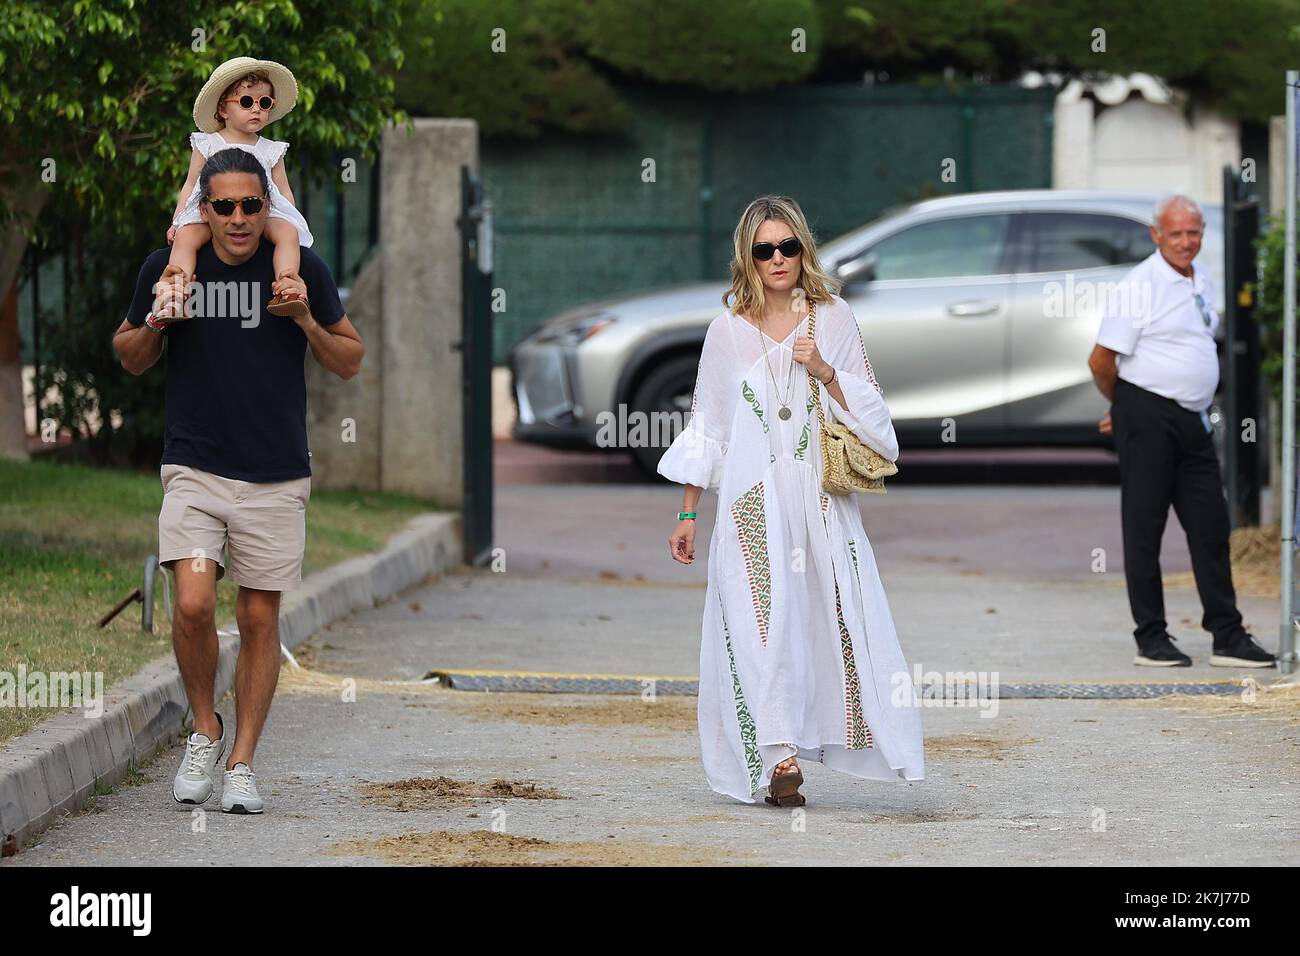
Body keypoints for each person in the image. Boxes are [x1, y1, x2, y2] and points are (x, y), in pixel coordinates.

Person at [111, 147, 365, 813]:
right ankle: (205, 727)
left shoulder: (299, 268)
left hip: (277, 474)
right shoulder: (170, 269)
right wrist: (161, 318)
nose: (238, 218)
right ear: (204, 210)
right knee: (193, 602)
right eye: (223, 206)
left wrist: (306, 318)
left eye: (251, 205)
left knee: (258, 617)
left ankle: (243, 762)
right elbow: (129, 355)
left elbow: (350, 359)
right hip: (195, 466)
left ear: (266, 207)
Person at [658, 195, 924, 807]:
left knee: (831, 621)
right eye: (764, 249)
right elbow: (709, 427)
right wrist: (688, 512)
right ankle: (777, 758)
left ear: (803, 249)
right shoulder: (725, 332)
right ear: (747, 258)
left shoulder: (832, 318)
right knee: (758, 625)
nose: (778, 259)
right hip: (751, 507)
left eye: (788, 246)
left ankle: (857, 740)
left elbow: (876, 423)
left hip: (819, 503)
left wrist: (825, 371)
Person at [1089, 194, 1275, 669]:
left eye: (1193, 233)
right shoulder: (1139, 286)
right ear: (1156, 235)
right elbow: (1101, 360)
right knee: (1145, 526)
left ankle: (1227, 636)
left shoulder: (1201, 275)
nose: (1186, 242)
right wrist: (1124, 408)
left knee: (1211, 526)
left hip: (1192, 418)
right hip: (1146, 414)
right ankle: (1151, 638)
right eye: (1176, 233)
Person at [161, 56, 313, 319]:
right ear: (222, 109)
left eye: (264, 103)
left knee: (287, 234)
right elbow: (190, 183)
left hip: (261, 211)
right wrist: (178, 219)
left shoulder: (271, 149)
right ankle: (175, 295)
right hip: (212, 211)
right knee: (186, 238)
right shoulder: (207, 143)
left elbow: (283, 190)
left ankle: (287, 288)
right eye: (246, 102)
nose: (257, 109)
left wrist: (291, 218)